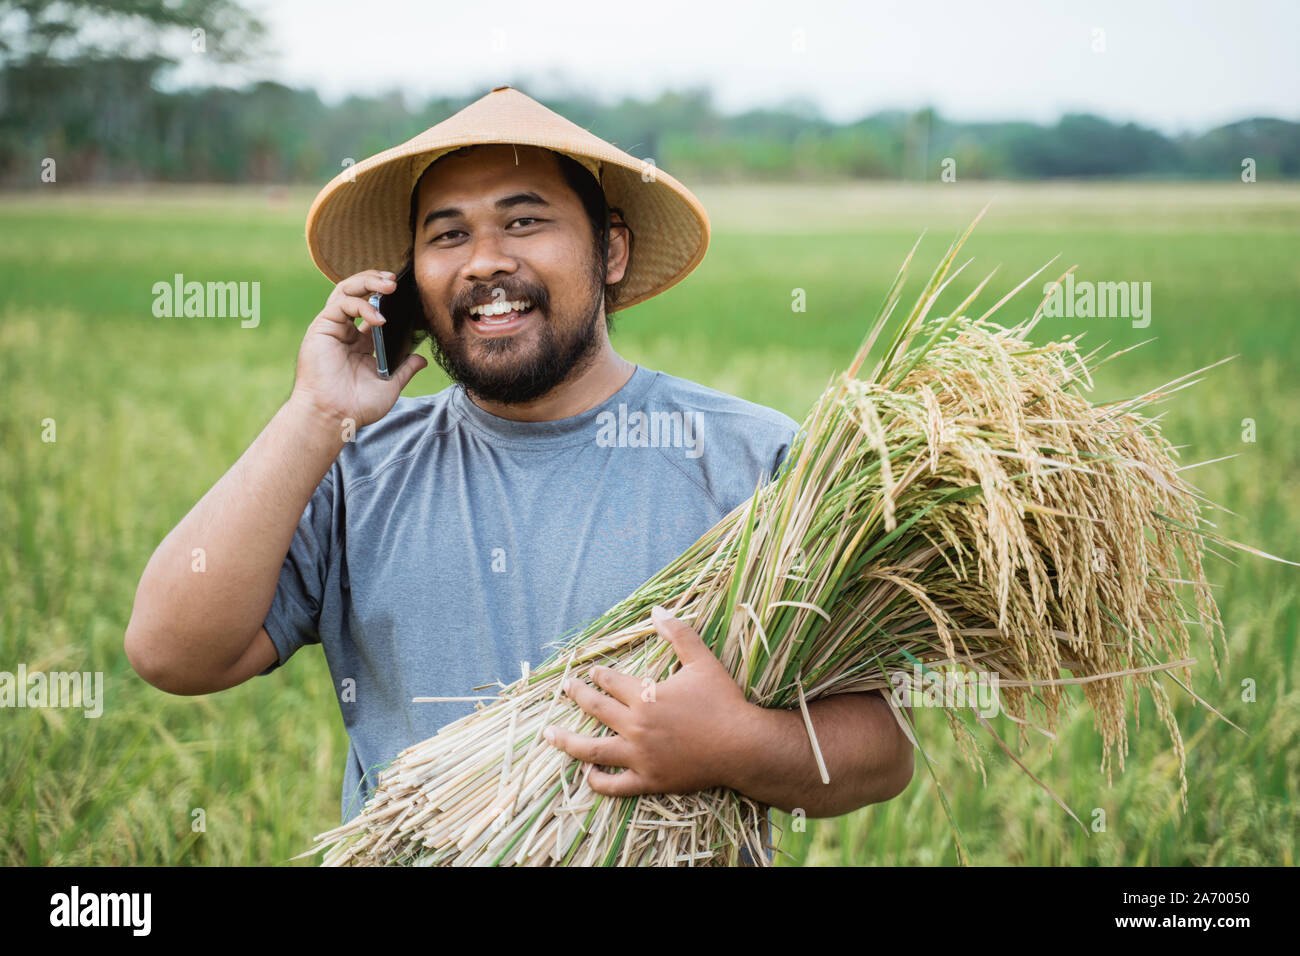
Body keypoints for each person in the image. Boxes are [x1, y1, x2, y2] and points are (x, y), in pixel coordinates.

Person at [124, 86, 913, 865]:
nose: (486, 263)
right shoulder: (353, 467)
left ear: (612, 250)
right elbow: (172, 652)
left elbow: (880, 751)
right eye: (447, 236)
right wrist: (313, 413)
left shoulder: (754, 463)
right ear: (407, 281)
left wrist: (735, 745)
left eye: (524, 221)